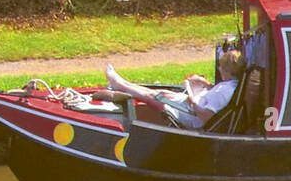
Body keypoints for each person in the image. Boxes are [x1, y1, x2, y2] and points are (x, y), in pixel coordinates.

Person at [104, 47, 244, 129]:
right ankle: (121, 83)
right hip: (189, 106)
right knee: (161, 93)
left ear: (227, 71)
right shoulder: (231, 85)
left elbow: (205, 116)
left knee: (153, 97)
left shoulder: (224, 92)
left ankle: (119, 83)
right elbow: (214, 96)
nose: (219, 69)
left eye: (221, 67)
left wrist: (189, 90)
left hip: (189, 114)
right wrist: (205, 84)